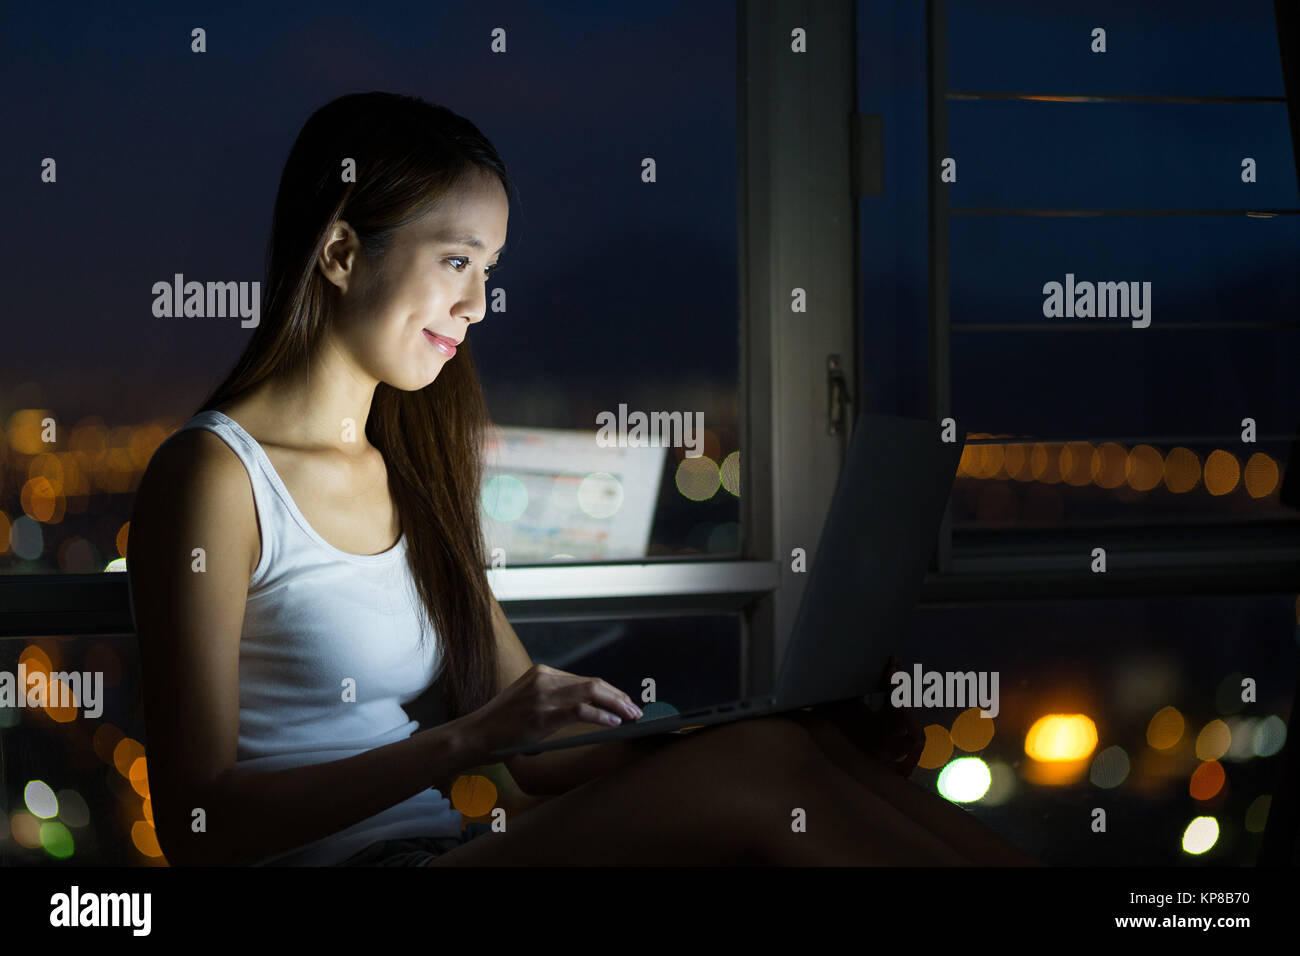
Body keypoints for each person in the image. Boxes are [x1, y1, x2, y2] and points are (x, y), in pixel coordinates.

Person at [127, 91, 1040, 866]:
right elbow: (197, 824)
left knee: (802, 757)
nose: (477, 305)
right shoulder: (214, 477)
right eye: (455, 261)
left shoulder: (406, 471)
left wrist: (749, 733)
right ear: (339, 254)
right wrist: (463, 743)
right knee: (764, 775)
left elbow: (541, 753)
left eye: (488, 270)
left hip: (438, 850)